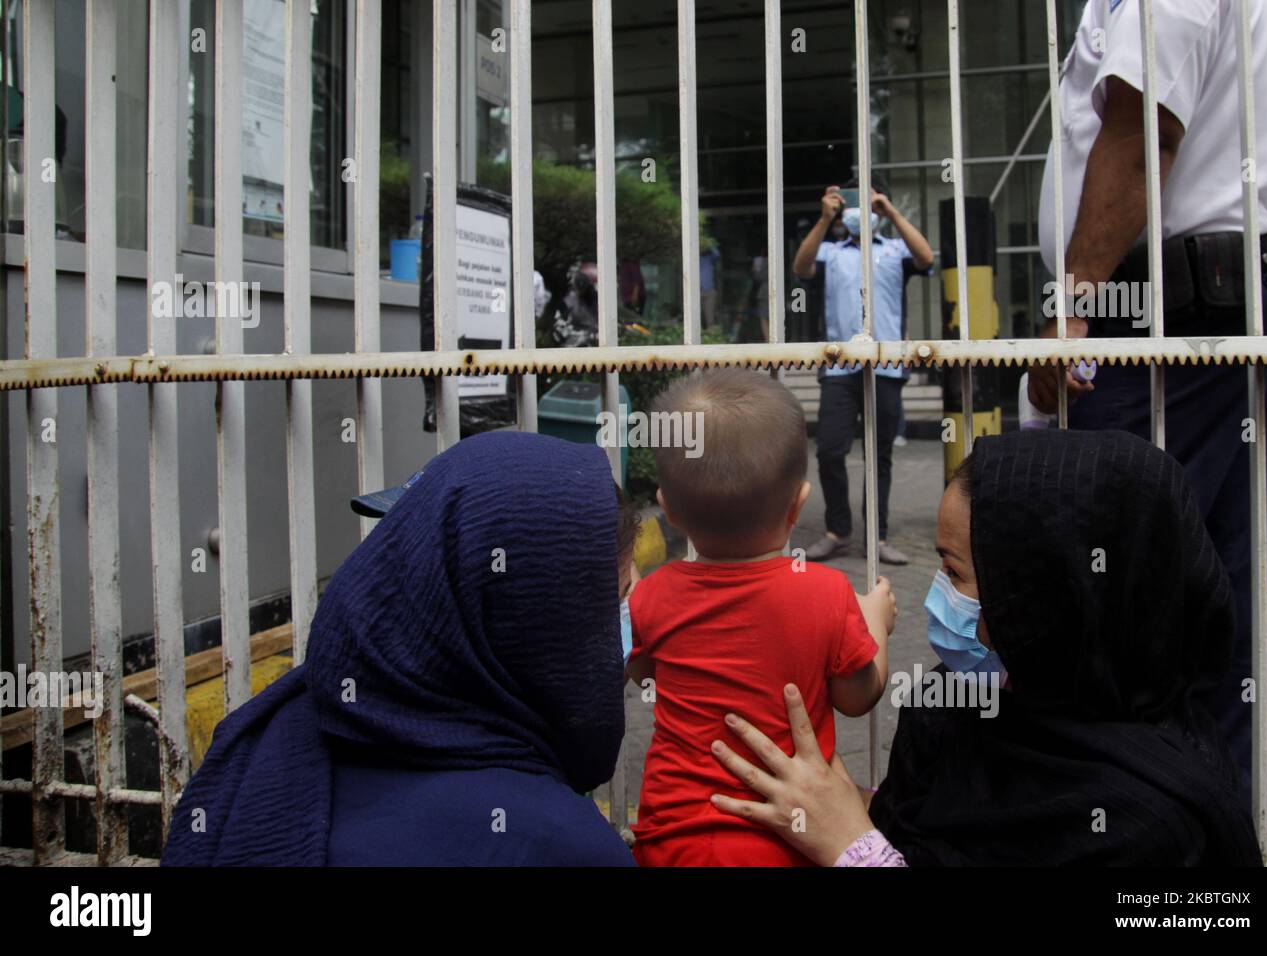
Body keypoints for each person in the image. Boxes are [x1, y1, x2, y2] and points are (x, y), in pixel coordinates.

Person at [709, 429, 1263, 867]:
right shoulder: (956, 702)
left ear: (1052, 596)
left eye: (955, 572)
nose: (936, 595)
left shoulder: (1152, 824)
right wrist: (842, 805)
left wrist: (852, 848)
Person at [1027, 0, 1267, 799]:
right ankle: (1208, 839)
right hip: (1225, 297)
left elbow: (1147, 132)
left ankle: (1136, 836)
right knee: (1210, 578)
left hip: (1167, 316)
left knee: (1109, 593)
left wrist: (1073, 303)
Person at [161, 432, 638, 866]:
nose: (627, 626)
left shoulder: (261, 741)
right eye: (616, 601)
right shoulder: (562, 847)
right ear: (538, 626)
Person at [627, 369, 896, 866]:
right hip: (786, 838)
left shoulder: (652, 597)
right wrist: (875, 622)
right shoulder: (827, 593)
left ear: (670, 511)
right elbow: (858, 697)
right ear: (798, 504)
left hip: (670, 836)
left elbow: (642, 670)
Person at [793, 182, 934, 567]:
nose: (861, 209)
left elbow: (925, 259)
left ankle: (878, 536)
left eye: (867, 200)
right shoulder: (830, 252)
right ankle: (837, 531)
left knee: (880, 453)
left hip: (886, 366)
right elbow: (800, 267)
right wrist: (824, 219)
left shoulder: (894, 249)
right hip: (839, 367)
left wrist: (891, 212)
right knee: (829, 450)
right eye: (853, 202)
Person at [700, 242, 722, 330]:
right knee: (693, 319)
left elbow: (717, 253)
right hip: (695, 291)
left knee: (710, 320)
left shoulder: (709, 258)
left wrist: (708, 243)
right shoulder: (691, 258)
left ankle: (711, 339)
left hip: (709, 291)